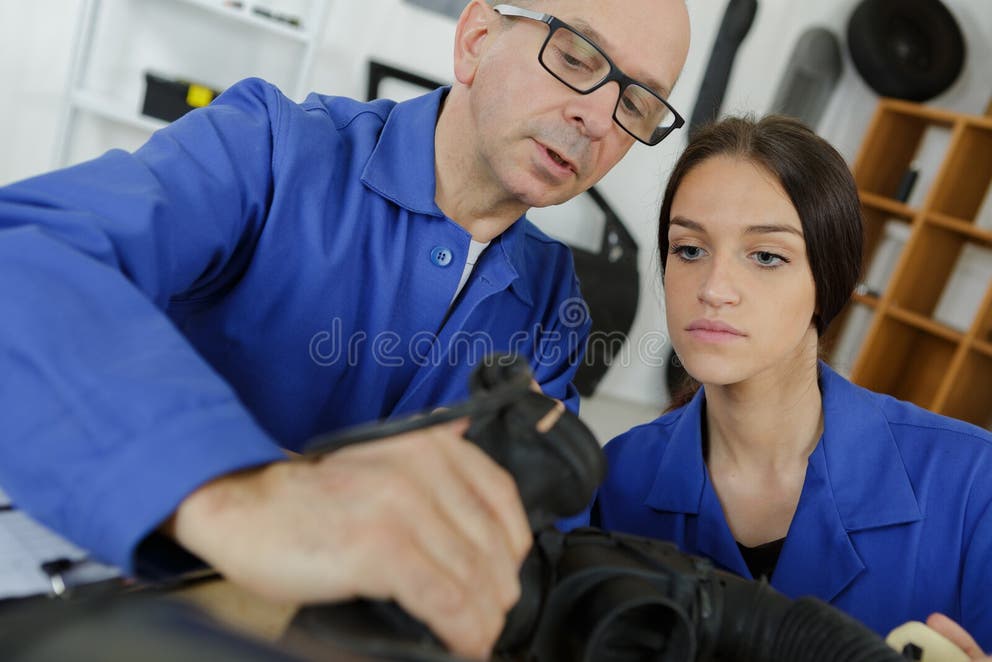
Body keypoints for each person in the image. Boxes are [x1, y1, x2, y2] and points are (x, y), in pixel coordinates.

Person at [0, 1, 690, 657]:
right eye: (574, 56)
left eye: (635, 104)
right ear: (476, 39)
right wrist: (244, 495)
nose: (598, 117)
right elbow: (23, 261)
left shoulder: (551, 301)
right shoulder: (268, 148)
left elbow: (528, 529)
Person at [585, 115, 992, 655]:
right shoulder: (616, 482)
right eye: (689, 249)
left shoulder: (972, 486)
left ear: (828, 283)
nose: (714, 288)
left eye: (766, 256)